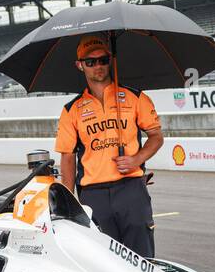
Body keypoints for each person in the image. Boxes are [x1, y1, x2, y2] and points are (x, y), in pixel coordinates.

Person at [55, 34, 164, 257]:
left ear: (111, 59)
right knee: (104, 261)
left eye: (103, 59)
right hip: (93, 195)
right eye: (90, 62)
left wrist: (136, 159)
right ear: (80, 65)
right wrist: (68, 198)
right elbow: (67, 156)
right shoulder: (71, 109)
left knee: (142, 259)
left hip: (131, 189)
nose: (98, 66)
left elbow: (156, 136)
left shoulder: (135, 97)